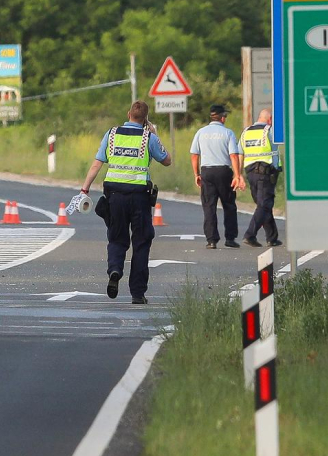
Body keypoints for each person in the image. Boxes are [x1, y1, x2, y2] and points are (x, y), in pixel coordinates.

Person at [80, 100, 172, 305]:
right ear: (146, 119)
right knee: (141, 242)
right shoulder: (149, 138)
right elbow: (167, 160)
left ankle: (115, 269)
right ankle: (137, 293)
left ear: (128, 113)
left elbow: (97, 163)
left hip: (114, 195)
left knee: (117, 238)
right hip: (139, 197)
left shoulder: (111, 134)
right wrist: (155, 135)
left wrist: (84, 189)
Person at [190, 104, 245, 249]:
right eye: (225, 116)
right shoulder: (228, 133)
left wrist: (197, 174)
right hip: (224, 172)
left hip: (207, 172)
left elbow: (194, 155)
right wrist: (237, 175)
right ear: (222, 117)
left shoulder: (201, 132)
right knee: (229, 205)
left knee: (209, 206)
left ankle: (211, 240)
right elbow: (233, 155)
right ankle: (230, 238)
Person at [240, 109, 282, 247]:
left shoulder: (246, 132)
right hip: (266, 172)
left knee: (263, 205)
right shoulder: (269, 131)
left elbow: (239, 153)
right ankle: (250, 235)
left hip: (250, 173)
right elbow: (275, 151)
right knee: (264, 205)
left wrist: (239, 174)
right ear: (270, 119)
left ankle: (272, 237)